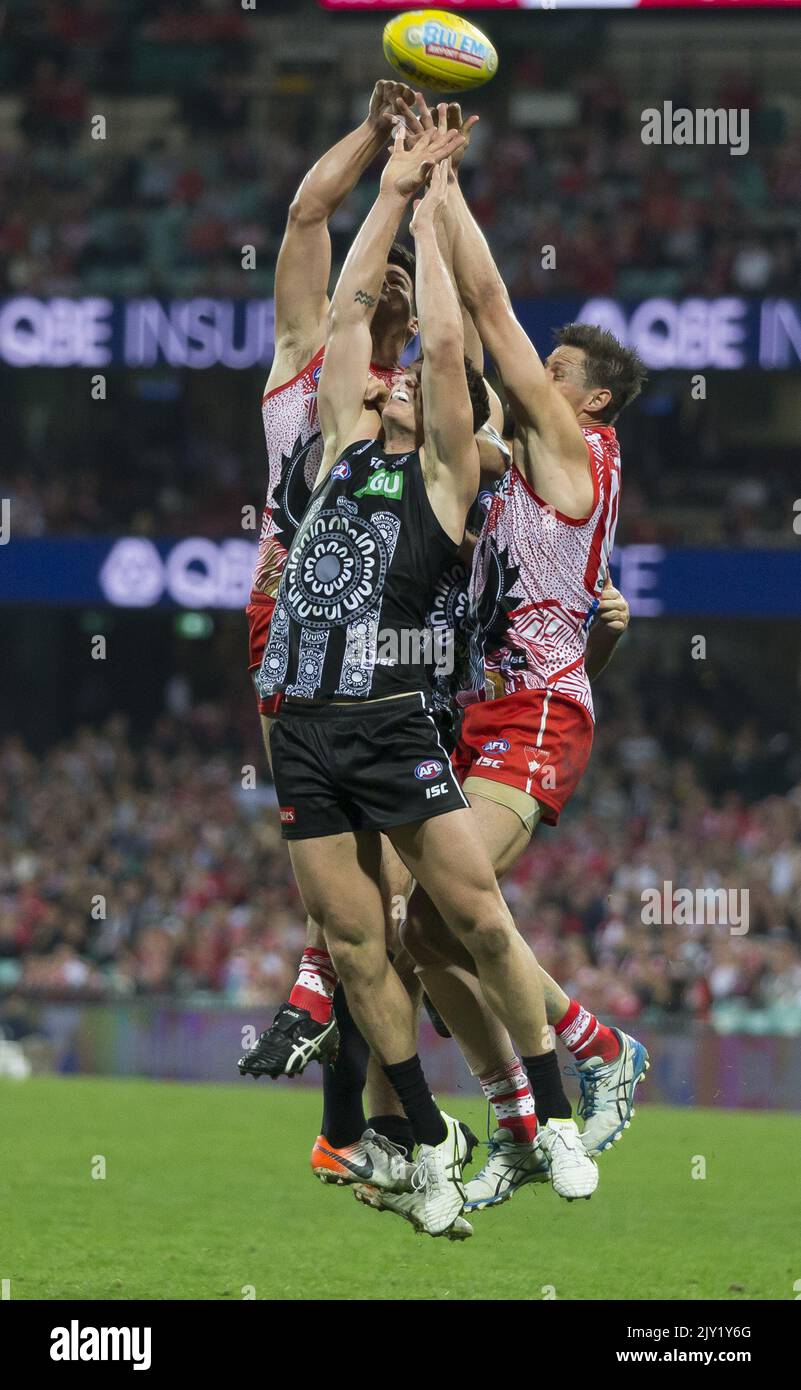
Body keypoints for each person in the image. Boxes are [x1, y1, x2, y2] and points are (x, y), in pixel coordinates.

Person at [255, 129, 598, 1236]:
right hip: (300, 721)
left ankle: (553, 1111)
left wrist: (439, 218)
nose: (396, 384)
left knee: (472, 920)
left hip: (389, 717)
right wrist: (392, 191)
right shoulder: (340, 447)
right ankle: (422, 1138)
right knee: (361, 948)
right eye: (388, 385)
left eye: (415, 388)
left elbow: (449, 345)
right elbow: (349, 313)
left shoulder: (449, 477)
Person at [384, 97, 650, 1214]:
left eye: (555, 365)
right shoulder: (530, 453)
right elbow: (453, 418)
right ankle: (518, 1117)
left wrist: (439, 186)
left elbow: (487, 311)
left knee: (455, 898)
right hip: (478, 709)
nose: (537, 369)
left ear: (589, 397)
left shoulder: (577, 444)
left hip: (536, 709)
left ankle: (596, 1045)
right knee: (421, 932)